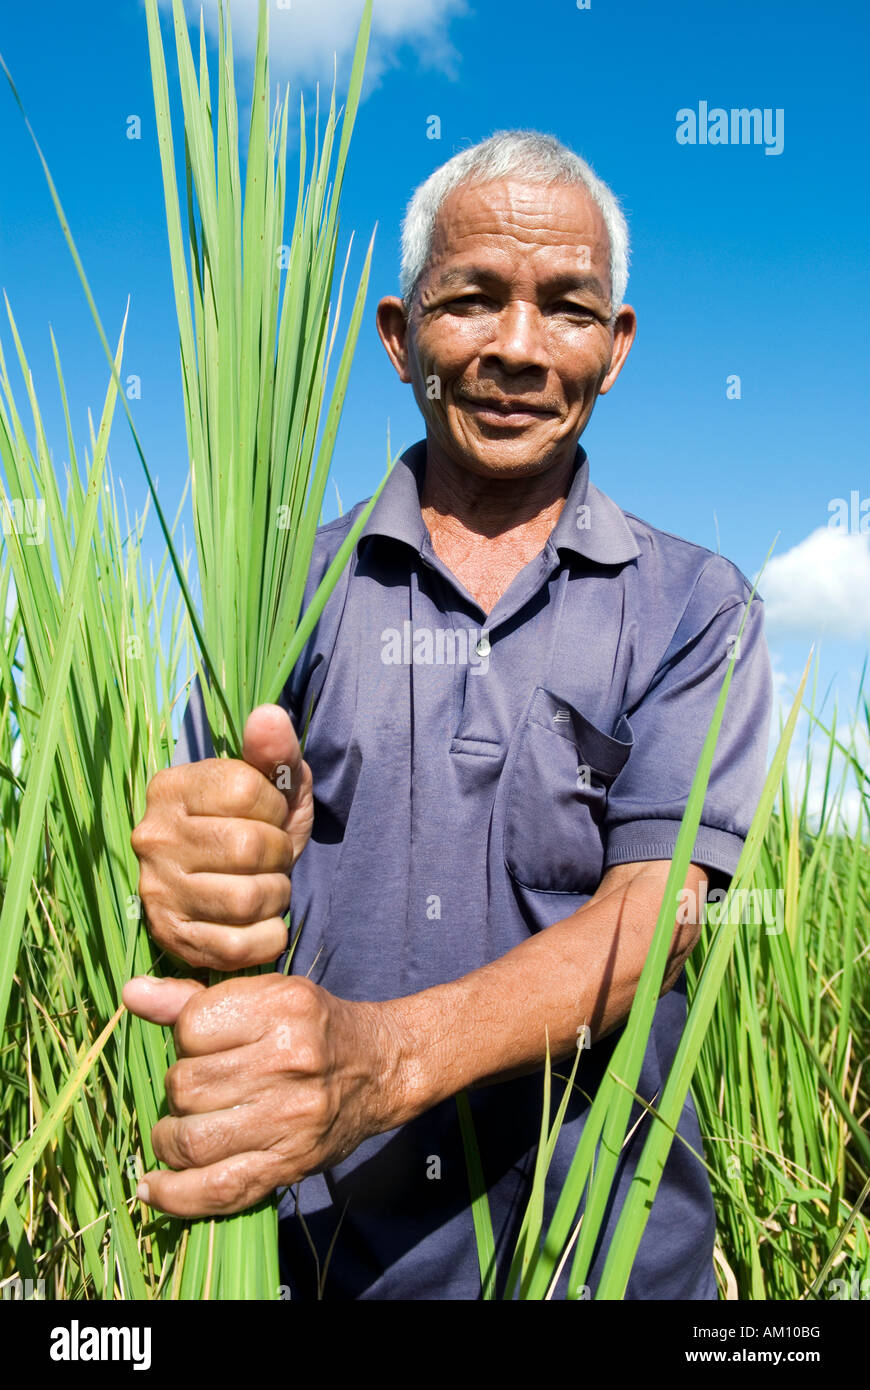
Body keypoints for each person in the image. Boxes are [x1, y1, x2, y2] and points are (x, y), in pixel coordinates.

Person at [125, 130, 772, 1300]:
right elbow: (239, 820)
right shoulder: (285, 595)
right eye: (473, 298)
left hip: (609, 1265)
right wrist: (205, 856)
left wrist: (382, 1063)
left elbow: (656, 914)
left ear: (615, 346)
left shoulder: (696, 605)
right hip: (325, 1261)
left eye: (567, 307)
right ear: (399, 336)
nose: (518, 348)